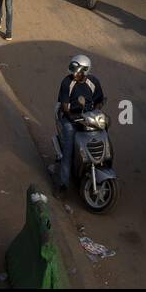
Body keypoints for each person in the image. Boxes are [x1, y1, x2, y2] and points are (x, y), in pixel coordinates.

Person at [55, 55, 105, 194]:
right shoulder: (67, 82)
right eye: (73, 70)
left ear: (85, 70)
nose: (74, 74)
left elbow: (99, 100)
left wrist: (96, 111)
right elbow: (65, 106)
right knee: (68, 150)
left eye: (77, 71)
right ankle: (63, 185)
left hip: (88, 117)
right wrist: (73, 117)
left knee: (103, 135)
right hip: (70, 118)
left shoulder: (93, 82)